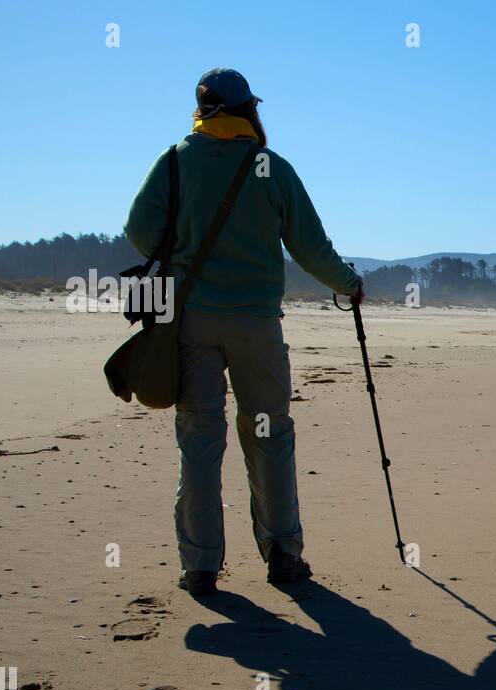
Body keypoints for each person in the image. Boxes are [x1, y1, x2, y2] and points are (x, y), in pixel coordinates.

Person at [124, 68, 364, 597]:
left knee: (200, 440)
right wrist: (349, 284)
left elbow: (139, 232)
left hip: (191, 321)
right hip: (256, 324)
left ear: (202, 108)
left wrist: (180, 250)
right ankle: (282, 554)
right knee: (269, 435)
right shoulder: (270, 168)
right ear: (247, 109)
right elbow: (311, 248)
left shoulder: (174, 162)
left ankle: (201, 566)